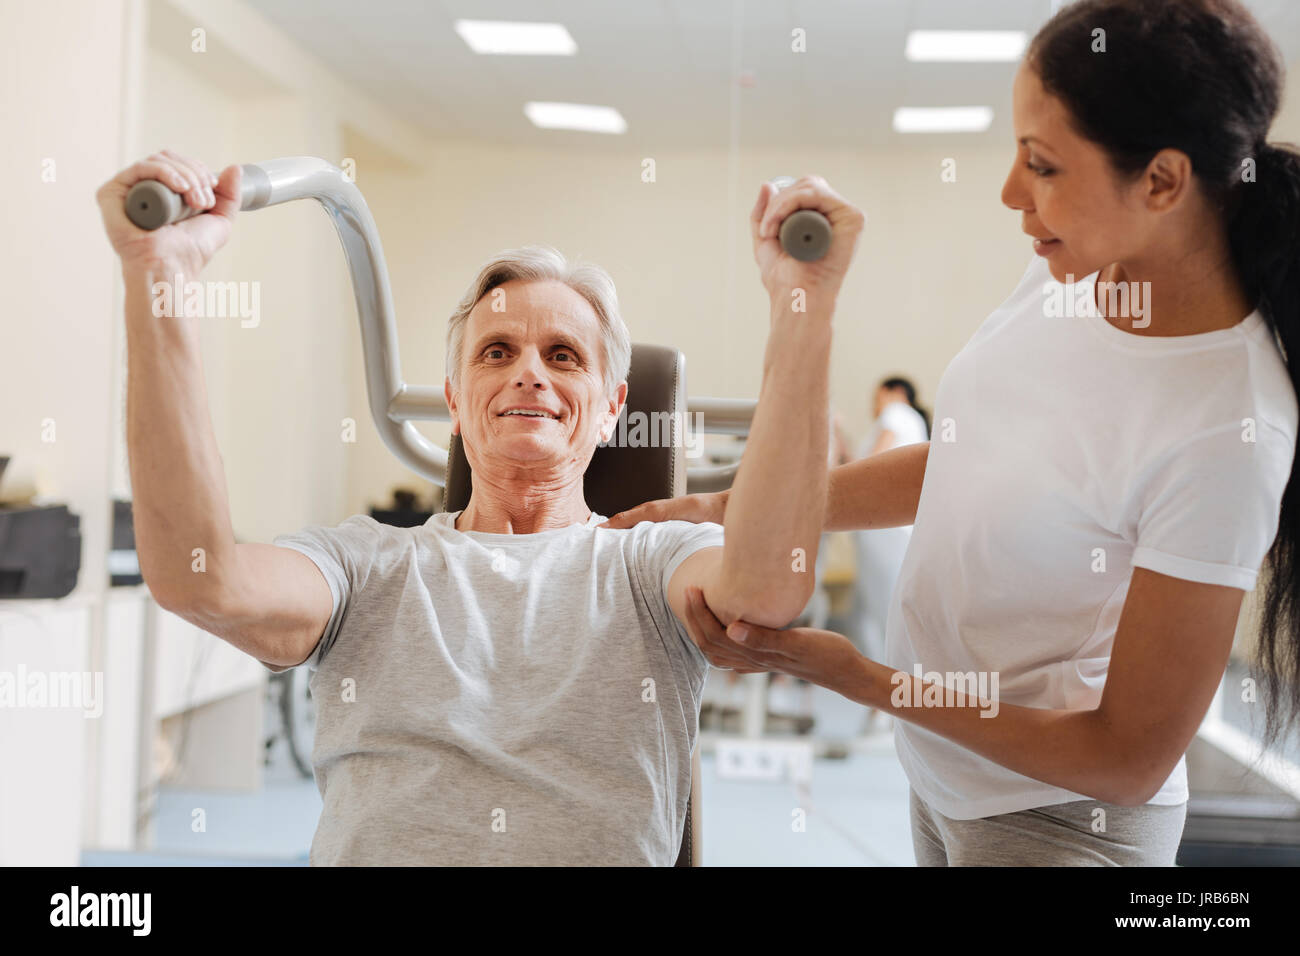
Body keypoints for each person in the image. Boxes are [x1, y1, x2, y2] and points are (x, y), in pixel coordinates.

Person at [605, 0, 1300, 866]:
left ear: (1161, 182)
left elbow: (1127, 758)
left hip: (1060, 820)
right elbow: (972, 462)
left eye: (1042, 166)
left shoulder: (1227, 429)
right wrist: (730, 506)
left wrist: (860, 679)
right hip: (940, 777)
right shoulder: (1070, 266)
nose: (1012, 195)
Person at [96, 152, 865, 864]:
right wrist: (159, 278)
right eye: (498, 352)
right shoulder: (367, 565)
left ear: (610, 410)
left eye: (563, 356)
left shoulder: (649, 559)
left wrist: (803, 310)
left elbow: (768, 587)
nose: (529, 373)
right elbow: (204, 582)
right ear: (458, 403)